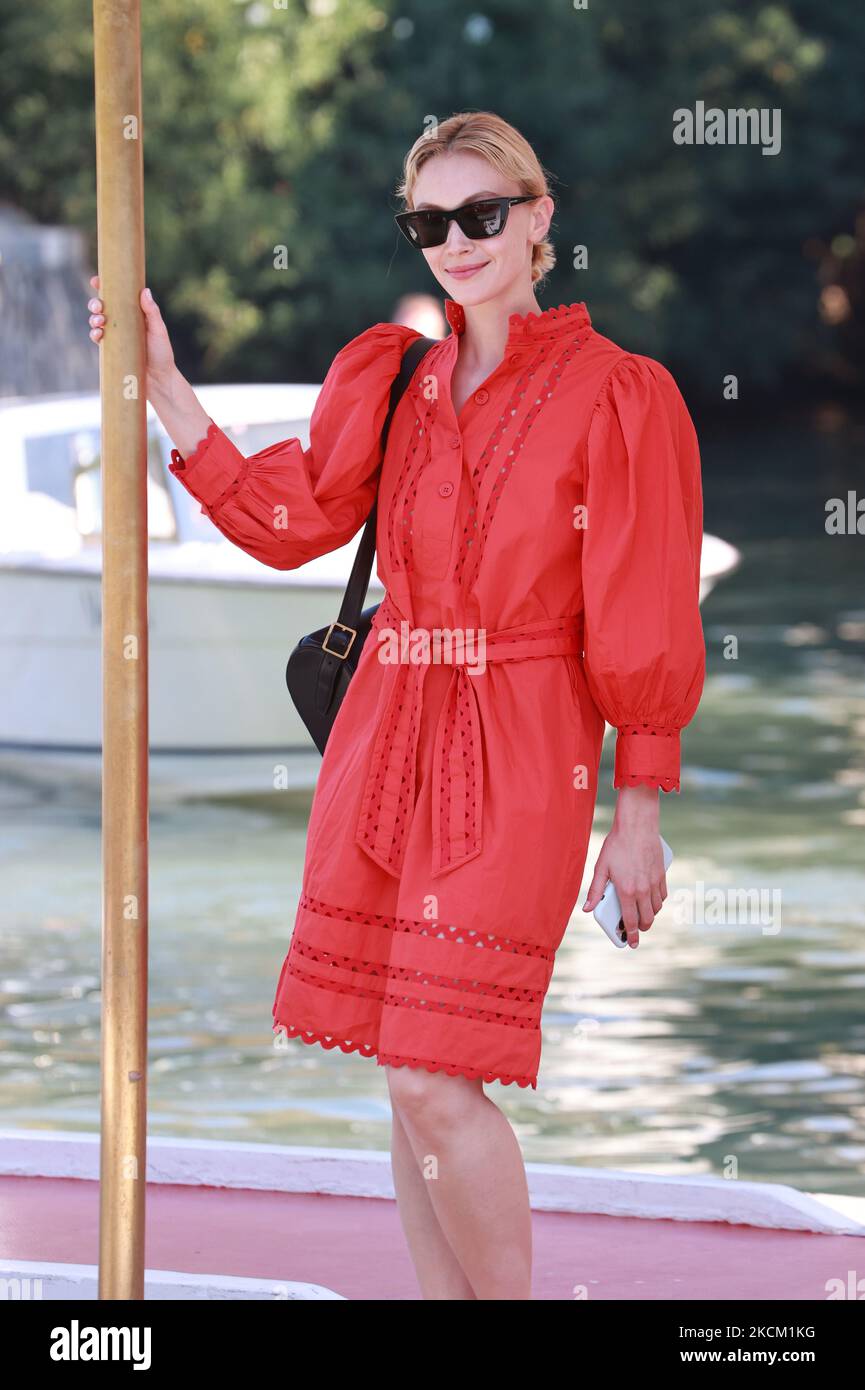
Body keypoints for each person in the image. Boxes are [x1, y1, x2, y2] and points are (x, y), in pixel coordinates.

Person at [87, 110, 705, 1300]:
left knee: (435, 1069)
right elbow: (288, 521)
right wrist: (164, 388)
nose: (457, 242)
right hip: (381, 738)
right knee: (400, 1068)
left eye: (482, 215)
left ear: (538, 219)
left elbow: (642, 617)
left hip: (525, 750)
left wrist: (639, 810)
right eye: (430, 222)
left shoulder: (617, 394)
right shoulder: (396, 377)